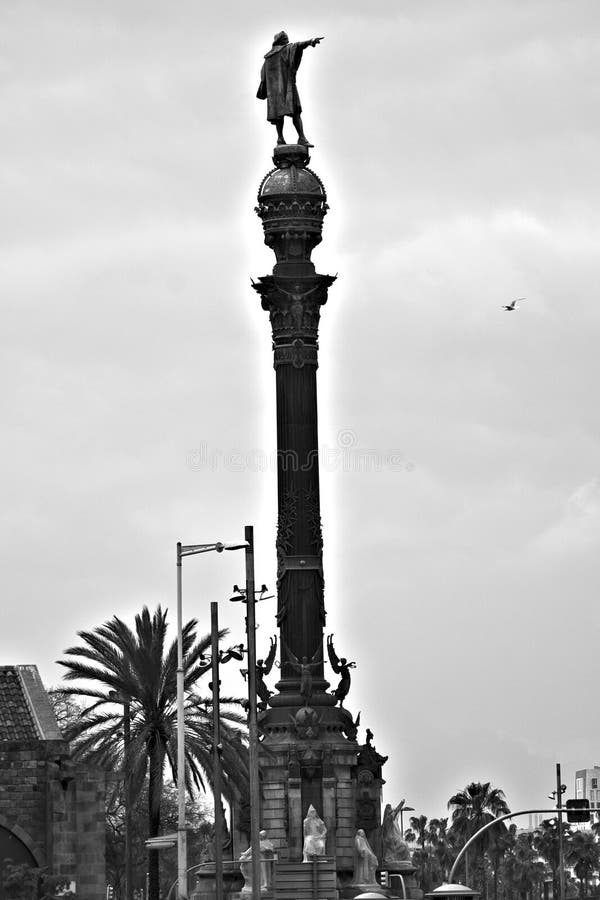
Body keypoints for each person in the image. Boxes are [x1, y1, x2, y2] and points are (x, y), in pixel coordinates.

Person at [257, 31, 323, 146]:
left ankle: (280, 138)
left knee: (278, 115)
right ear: (282, 40)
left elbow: (263, 76)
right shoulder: (286, 49)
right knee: (296, 112)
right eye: (286, 39)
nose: (288, 41)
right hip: (287, 88)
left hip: (274, 93)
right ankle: (301, 138)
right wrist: (311, 41)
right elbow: (297, 45)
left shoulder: (267, 58)